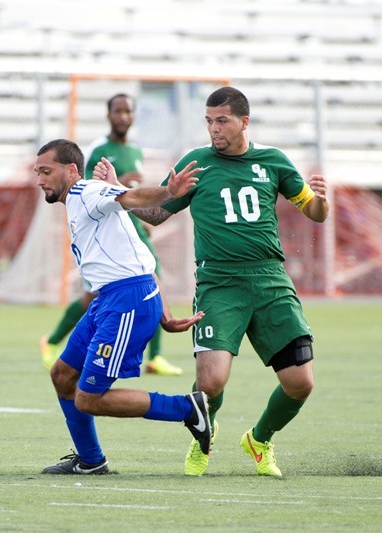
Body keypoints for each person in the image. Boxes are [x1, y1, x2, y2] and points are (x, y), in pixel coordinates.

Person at [128, 87, 329, 477]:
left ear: (243, 122)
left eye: (221, 121)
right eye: (208, 121)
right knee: (211, 382)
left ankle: (260, 439)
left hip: (271, 281)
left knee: (300, 383)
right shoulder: (196, 163)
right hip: (219, 283)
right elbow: (155, 216)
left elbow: (314, 212)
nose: (213, 129)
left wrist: (321, 201)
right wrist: (125, 197)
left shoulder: (274, 161)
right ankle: (204, 435)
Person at [33, 138, 209, 475]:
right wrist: (165, 312)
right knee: (62, 375)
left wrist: (168, 192)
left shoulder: (86, 191)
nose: (40, 179)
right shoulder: (79, 200)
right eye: (37, 172)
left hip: (126, 302)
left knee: (89, 398)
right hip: (111, 299)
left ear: (71, 170)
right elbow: (141, 259)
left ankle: (186, 408)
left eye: (46, 171)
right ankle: (91, 460)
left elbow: (132, 197)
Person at [39, 93, 183, 377]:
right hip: (102, 231)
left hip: (128, 228)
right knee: (93, 294)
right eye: (118, 111)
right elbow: (91, 191)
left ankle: (155, 356)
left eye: (128, 112)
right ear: (109, 115)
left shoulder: (136, 151)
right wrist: (125, 186)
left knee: (151, 276)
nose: (123, 117)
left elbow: (126, 196)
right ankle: (53, 340)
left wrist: (139, 225)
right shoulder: (98, 149)